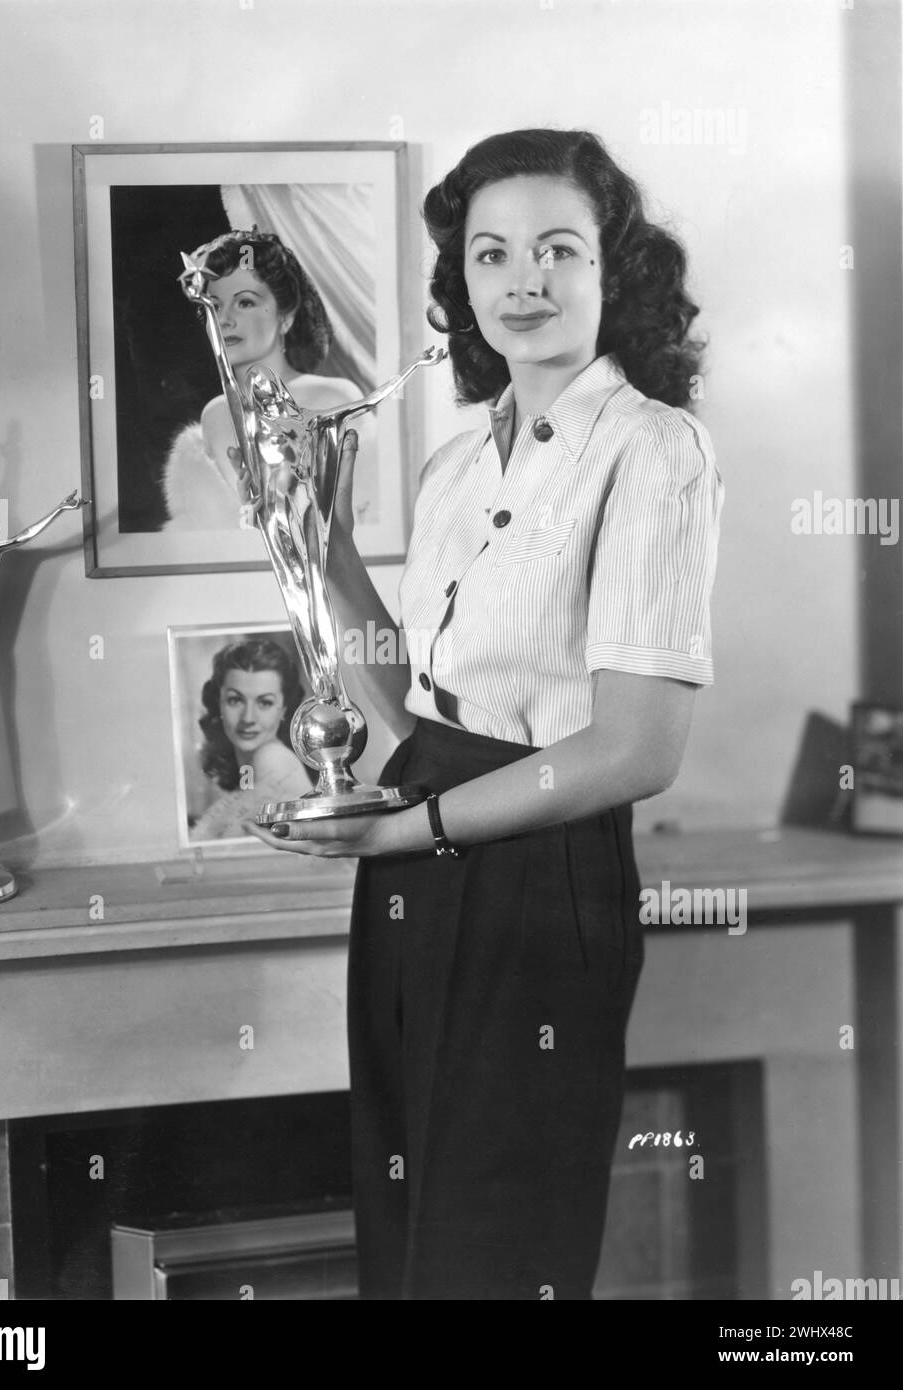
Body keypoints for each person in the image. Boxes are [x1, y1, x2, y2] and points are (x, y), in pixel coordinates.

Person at [246, 128, 724, 1301]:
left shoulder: (654, 449)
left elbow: (635, 749)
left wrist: (400, 830)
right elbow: (402, 708)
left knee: (492, 1260)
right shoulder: (454, 469)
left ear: (616, 270)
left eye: (559, 250)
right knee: (407, 1246)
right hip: (421, 855)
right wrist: (320, 536)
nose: (524, 281)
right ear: (460, 281)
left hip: (536, 871)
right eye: (491, 253)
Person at [163, 228, 372, 530]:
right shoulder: (217, 415)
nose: (224, 320)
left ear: (286, 316)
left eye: (244, 302)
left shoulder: (334, 398)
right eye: (215, 306)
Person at [189, 637, 312, 842]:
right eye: (235, 700)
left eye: (264, 703)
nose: (248, 718)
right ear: (218, 703)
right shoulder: (250, 768)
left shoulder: (272, 757)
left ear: (284, 709)